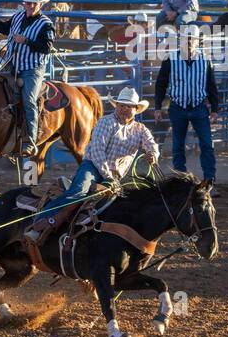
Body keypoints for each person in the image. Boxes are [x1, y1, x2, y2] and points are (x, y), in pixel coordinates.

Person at [25, 88, 159, 242]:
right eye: (122, 105)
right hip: (93, 167)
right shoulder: (106, 122)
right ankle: (40, 221)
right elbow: (97, 152)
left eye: (129, 106)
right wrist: (108, 176)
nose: (124, 109)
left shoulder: (140, 130)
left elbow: (152, 145)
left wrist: (153, 155)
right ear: (116, 106)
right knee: (79, 191)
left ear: (136, 109)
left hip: (115, 177)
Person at [0, 0, 53, 158]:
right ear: (24, 3)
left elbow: (47, 47)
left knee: (29, 100)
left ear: (40, 4)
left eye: (34, 3)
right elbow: (4, 28)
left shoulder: (46, 24)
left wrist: (26, 41)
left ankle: (30, 140)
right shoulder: (18, 16)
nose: (30, 6)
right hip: (11, 65)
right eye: (28, 3)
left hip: (32, 69)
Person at [154, 24, 219, 184]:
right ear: (180, 41)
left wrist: (215, 108)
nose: (189, 42)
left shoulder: (205, 60)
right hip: (178, 107)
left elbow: (211, 85)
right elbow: (160, 84)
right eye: (186, 39)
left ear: (198, 42)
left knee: (206, 144)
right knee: (178, 145)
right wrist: (157, 107)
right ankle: (181, 180)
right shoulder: (170, 58)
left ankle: (209, 180)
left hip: (199, 106)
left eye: (192, 39)